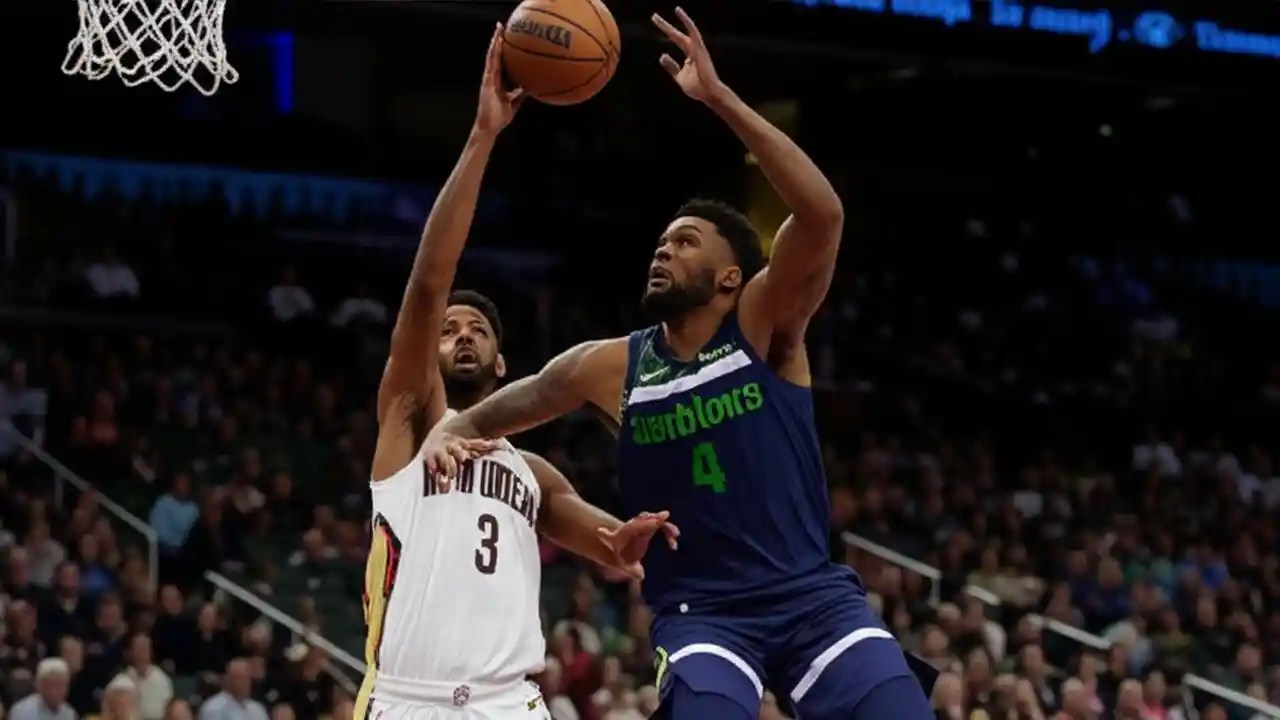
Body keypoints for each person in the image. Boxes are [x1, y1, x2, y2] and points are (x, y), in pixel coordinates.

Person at [424, 9, 936, 720]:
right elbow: (504, 407)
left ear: (732, 277)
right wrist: (451, 432)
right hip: (703, 614)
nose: (664, 251)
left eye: (687, 242)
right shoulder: (609, 367)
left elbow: (823, 215)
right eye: (662, 242)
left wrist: (719, 99)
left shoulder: (764, 328)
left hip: (811, 597)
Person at [356, 24, 679, 720]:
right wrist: (482, 137)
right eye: (449, 332)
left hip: (513, 704)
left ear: (503, 363)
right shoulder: (412, 420)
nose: (461, 336)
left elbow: (605, 540)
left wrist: (621, 541)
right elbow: (428, 284)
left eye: (478, 331)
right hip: (411, 701)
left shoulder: (533, 473)